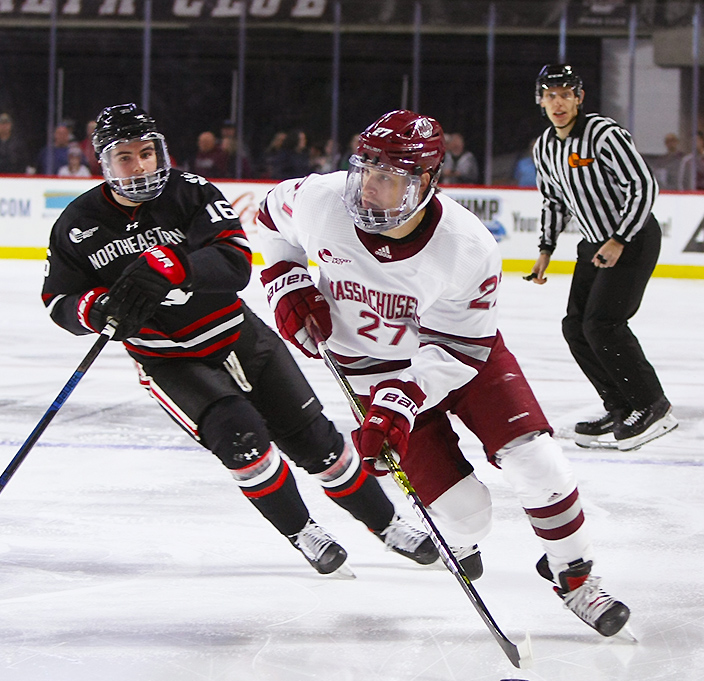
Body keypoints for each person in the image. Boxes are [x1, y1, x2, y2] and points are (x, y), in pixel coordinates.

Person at [256, 108, 631, 637]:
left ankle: (574, 577)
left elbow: (460, 347)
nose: (368, 190)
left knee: (539, 464)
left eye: (389, 178)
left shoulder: (466, 245)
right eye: (365, 171)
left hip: (461, 358)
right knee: (467, 513)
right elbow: (271, 222)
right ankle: (461, 535)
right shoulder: (321, 199)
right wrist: (285, 282)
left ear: (428, 180)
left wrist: (401, 401)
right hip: (368, 370)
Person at [42, 103, 438, 577]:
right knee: (242, 440)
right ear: (104, 162)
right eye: (125, 157)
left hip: (239, 336)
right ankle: (302, 530)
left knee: (318, 442)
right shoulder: (77, 223)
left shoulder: (191, 193)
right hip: (169, 361)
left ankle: (387, 523)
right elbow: (58, 299)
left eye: (147, 152)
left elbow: (234, 264)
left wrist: (175, 266)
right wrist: (95, 310)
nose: (141, 166)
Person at [529, 64, 677, 451]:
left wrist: (618, 238)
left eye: (565, 94)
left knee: (604, 324)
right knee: (576, 327)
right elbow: (553, 200)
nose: (557, 102)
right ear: (540, 101)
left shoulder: (603, 135)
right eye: (550, 95)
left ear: (579, 98)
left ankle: (651, 405)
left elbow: (643, 185)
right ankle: (619, 405)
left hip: (632, 238)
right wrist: (545, 249)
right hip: (593, 244)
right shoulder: (545, 146)